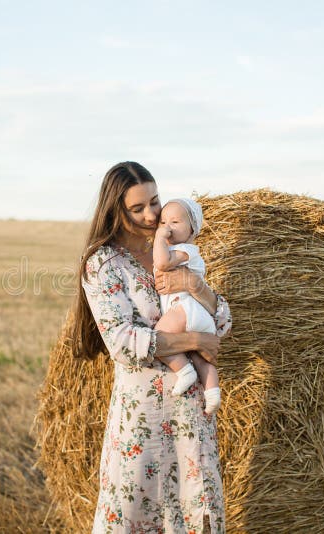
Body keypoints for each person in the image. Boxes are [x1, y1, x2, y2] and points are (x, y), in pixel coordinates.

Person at [72, 161, 232, 533]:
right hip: (141, 422)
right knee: (132, 515)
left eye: (155, 202)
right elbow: (125, 343)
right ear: (116, 210)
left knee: (196, 516)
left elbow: (221, 321)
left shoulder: (181, 250)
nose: (151, 215)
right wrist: (195, 341)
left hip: (191, 415)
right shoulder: (103, 264)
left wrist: (196, 287)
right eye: (137, 207)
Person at [152, 198, 222, 415]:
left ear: (193, 230)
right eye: (163, 222)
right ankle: (212, 394)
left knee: (159, 337)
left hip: (184, 309)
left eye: (175, 222)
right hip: (197, 315)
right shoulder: (184, 250)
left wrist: (158, 239)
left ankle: (183, 371)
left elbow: (162, 263)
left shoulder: (186, 250)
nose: (167, 228)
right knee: (202, 359)